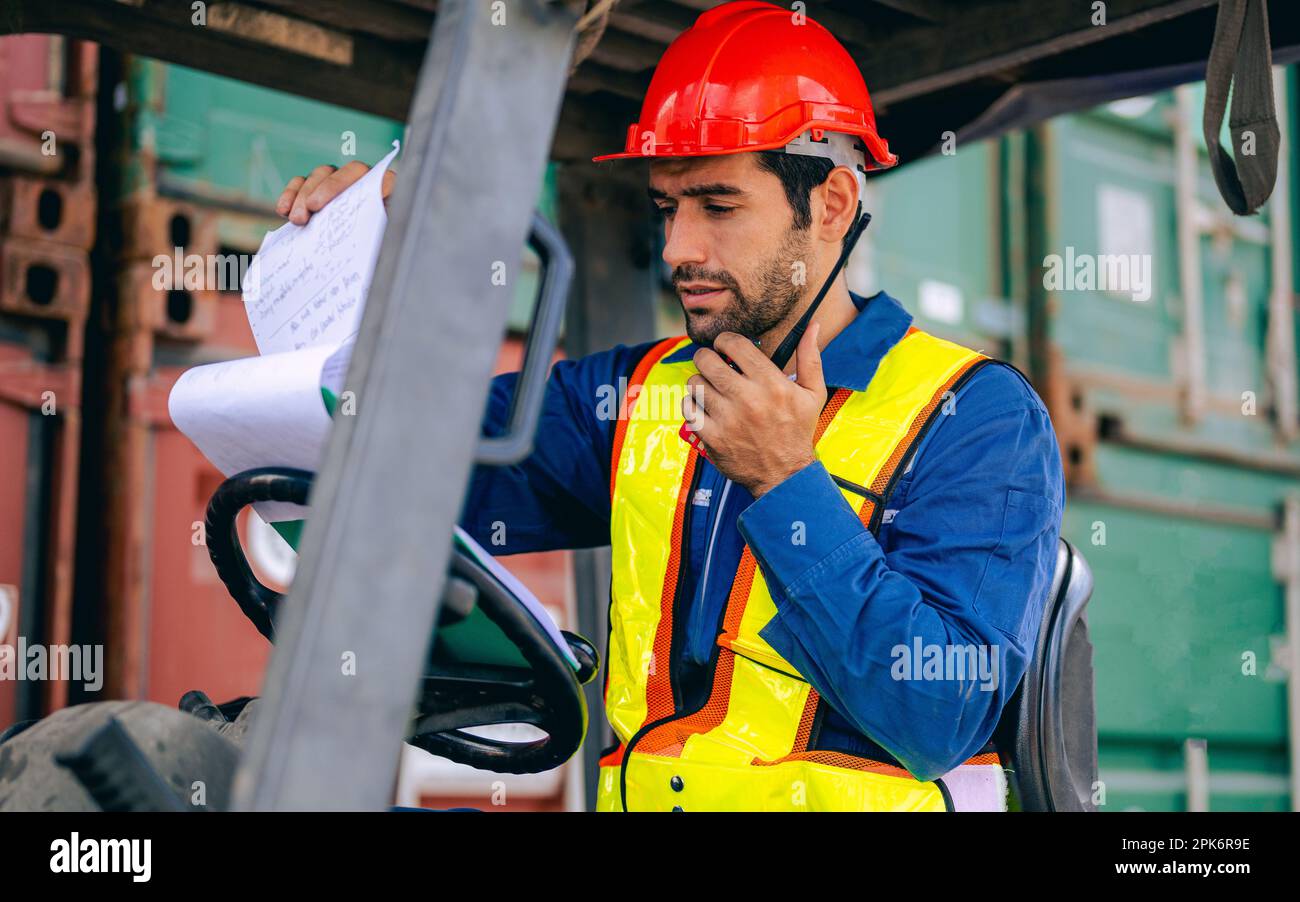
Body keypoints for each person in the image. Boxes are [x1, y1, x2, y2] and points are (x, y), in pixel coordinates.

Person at [275, 0, 1065, 812]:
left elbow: (938, 715)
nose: (679, 249)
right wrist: (361, 271)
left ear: (831, 204)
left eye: (718, 207)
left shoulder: (974, 420)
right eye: (667, 208)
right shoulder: (633, 398)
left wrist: (789, 484)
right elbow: (401, 466)